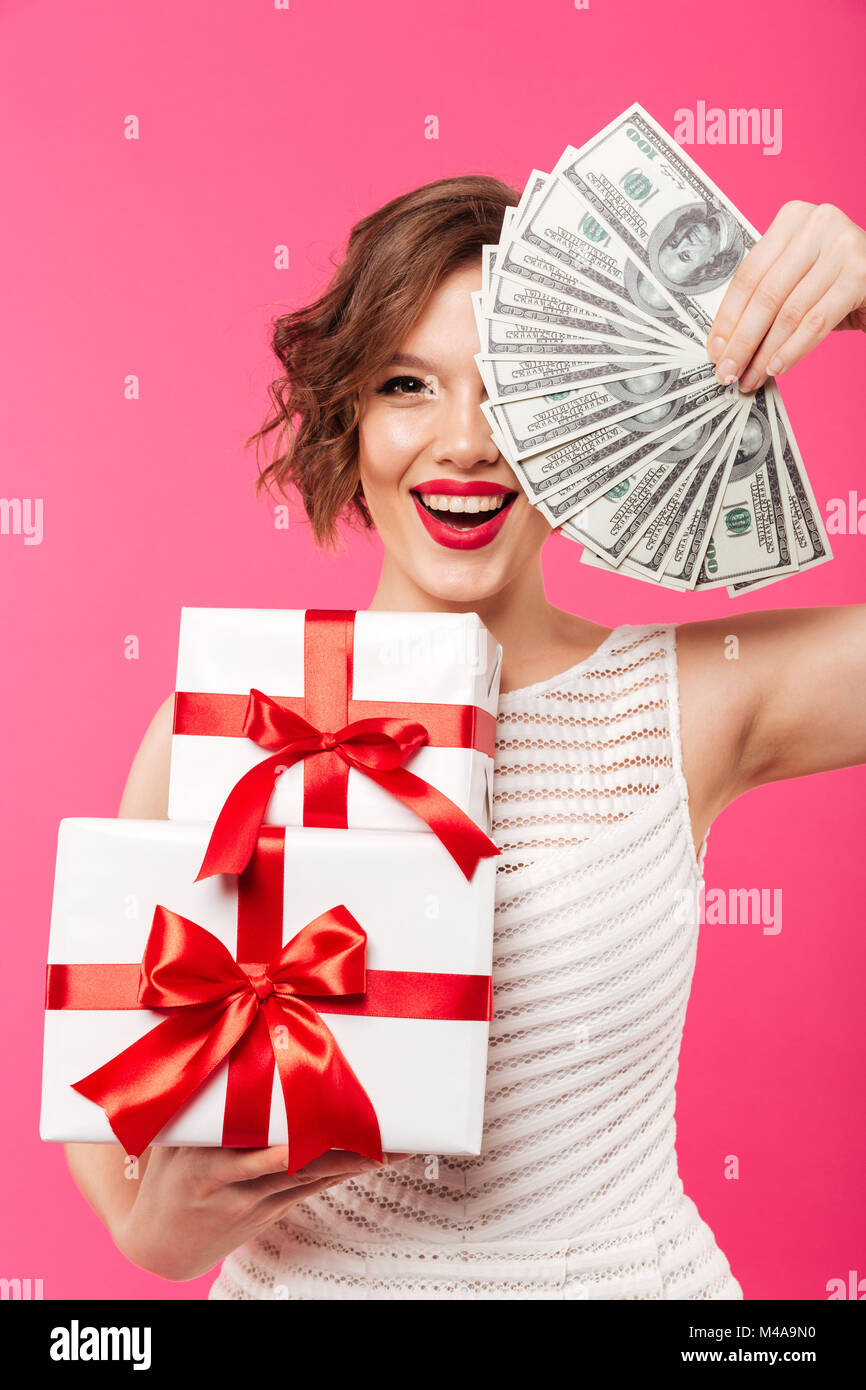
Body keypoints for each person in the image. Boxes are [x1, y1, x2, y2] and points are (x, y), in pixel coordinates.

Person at [64, 176, 866, 1299]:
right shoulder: (234, 723)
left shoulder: (698, 699)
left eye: (514, 390)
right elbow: (113, 1141)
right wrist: (167, 1228)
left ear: (587, 411)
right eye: (407, 385)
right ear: (348, 417)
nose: (464, 442)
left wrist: (858, 298)